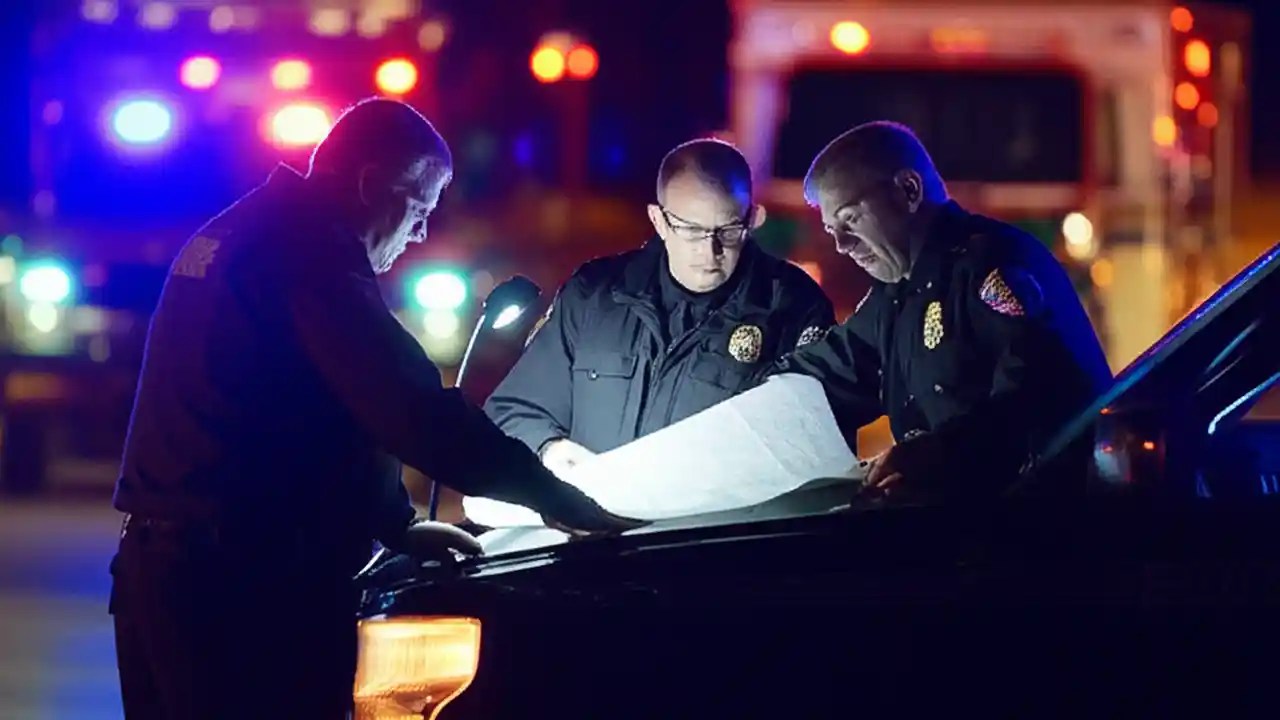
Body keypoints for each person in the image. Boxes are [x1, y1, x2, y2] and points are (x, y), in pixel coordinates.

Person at [108, 98, 639, 720]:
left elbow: (304, 412)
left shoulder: (244, 228)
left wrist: (394, 520)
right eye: (418, 210)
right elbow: (406, 406)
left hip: (166, 578)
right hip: (239, 591)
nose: (419, 234)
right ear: (367, 185)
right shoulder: (308, 253)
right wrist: (558, 500)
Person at [774, 121, 1113, 501]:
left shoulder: (990, 266)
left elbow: (1030, 401)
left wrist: (932, 454)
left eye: (850, 219)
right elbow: (833, 370)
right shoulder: (896, 293)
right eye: (831, 227)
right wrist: (752, 388)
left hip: (1041, 535)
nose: (840, 245)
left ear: (908, 190)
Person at [484, 138, 835, 475]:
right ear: (659, 221)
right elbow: (514, 410)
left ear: (753, 219)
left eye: (728, 231)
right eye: (691, 230)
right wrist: (552, 449)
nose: (709, 251)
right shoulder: (595, 296)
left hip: (714, 534)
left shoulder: (791, 309)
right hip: (593, 530)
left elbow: (815, 449)